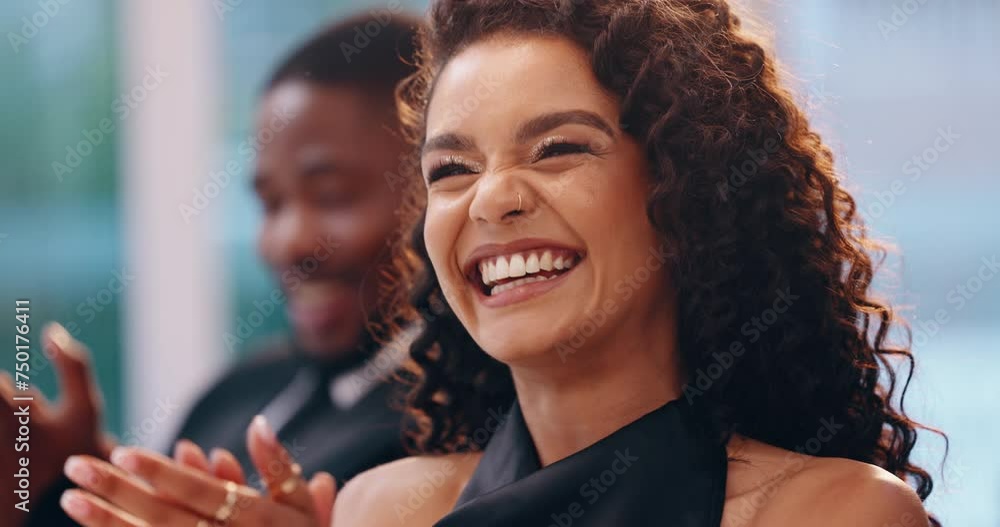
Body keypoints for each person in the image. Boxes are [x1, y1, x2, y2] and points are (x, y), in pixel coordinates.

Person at [53, 0, 945, 525]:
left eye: (558, 148)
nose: (490, 199)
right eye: (450, 169)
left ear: (687, 193)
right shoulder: (382, 507)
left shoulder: (833, 514)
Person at [0, 11, 423, 527]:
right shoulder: (242, 390)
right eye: (270, 204)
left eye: (331, 195)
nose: (285, 243)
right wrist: (61, 486)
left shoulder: (455, 437)